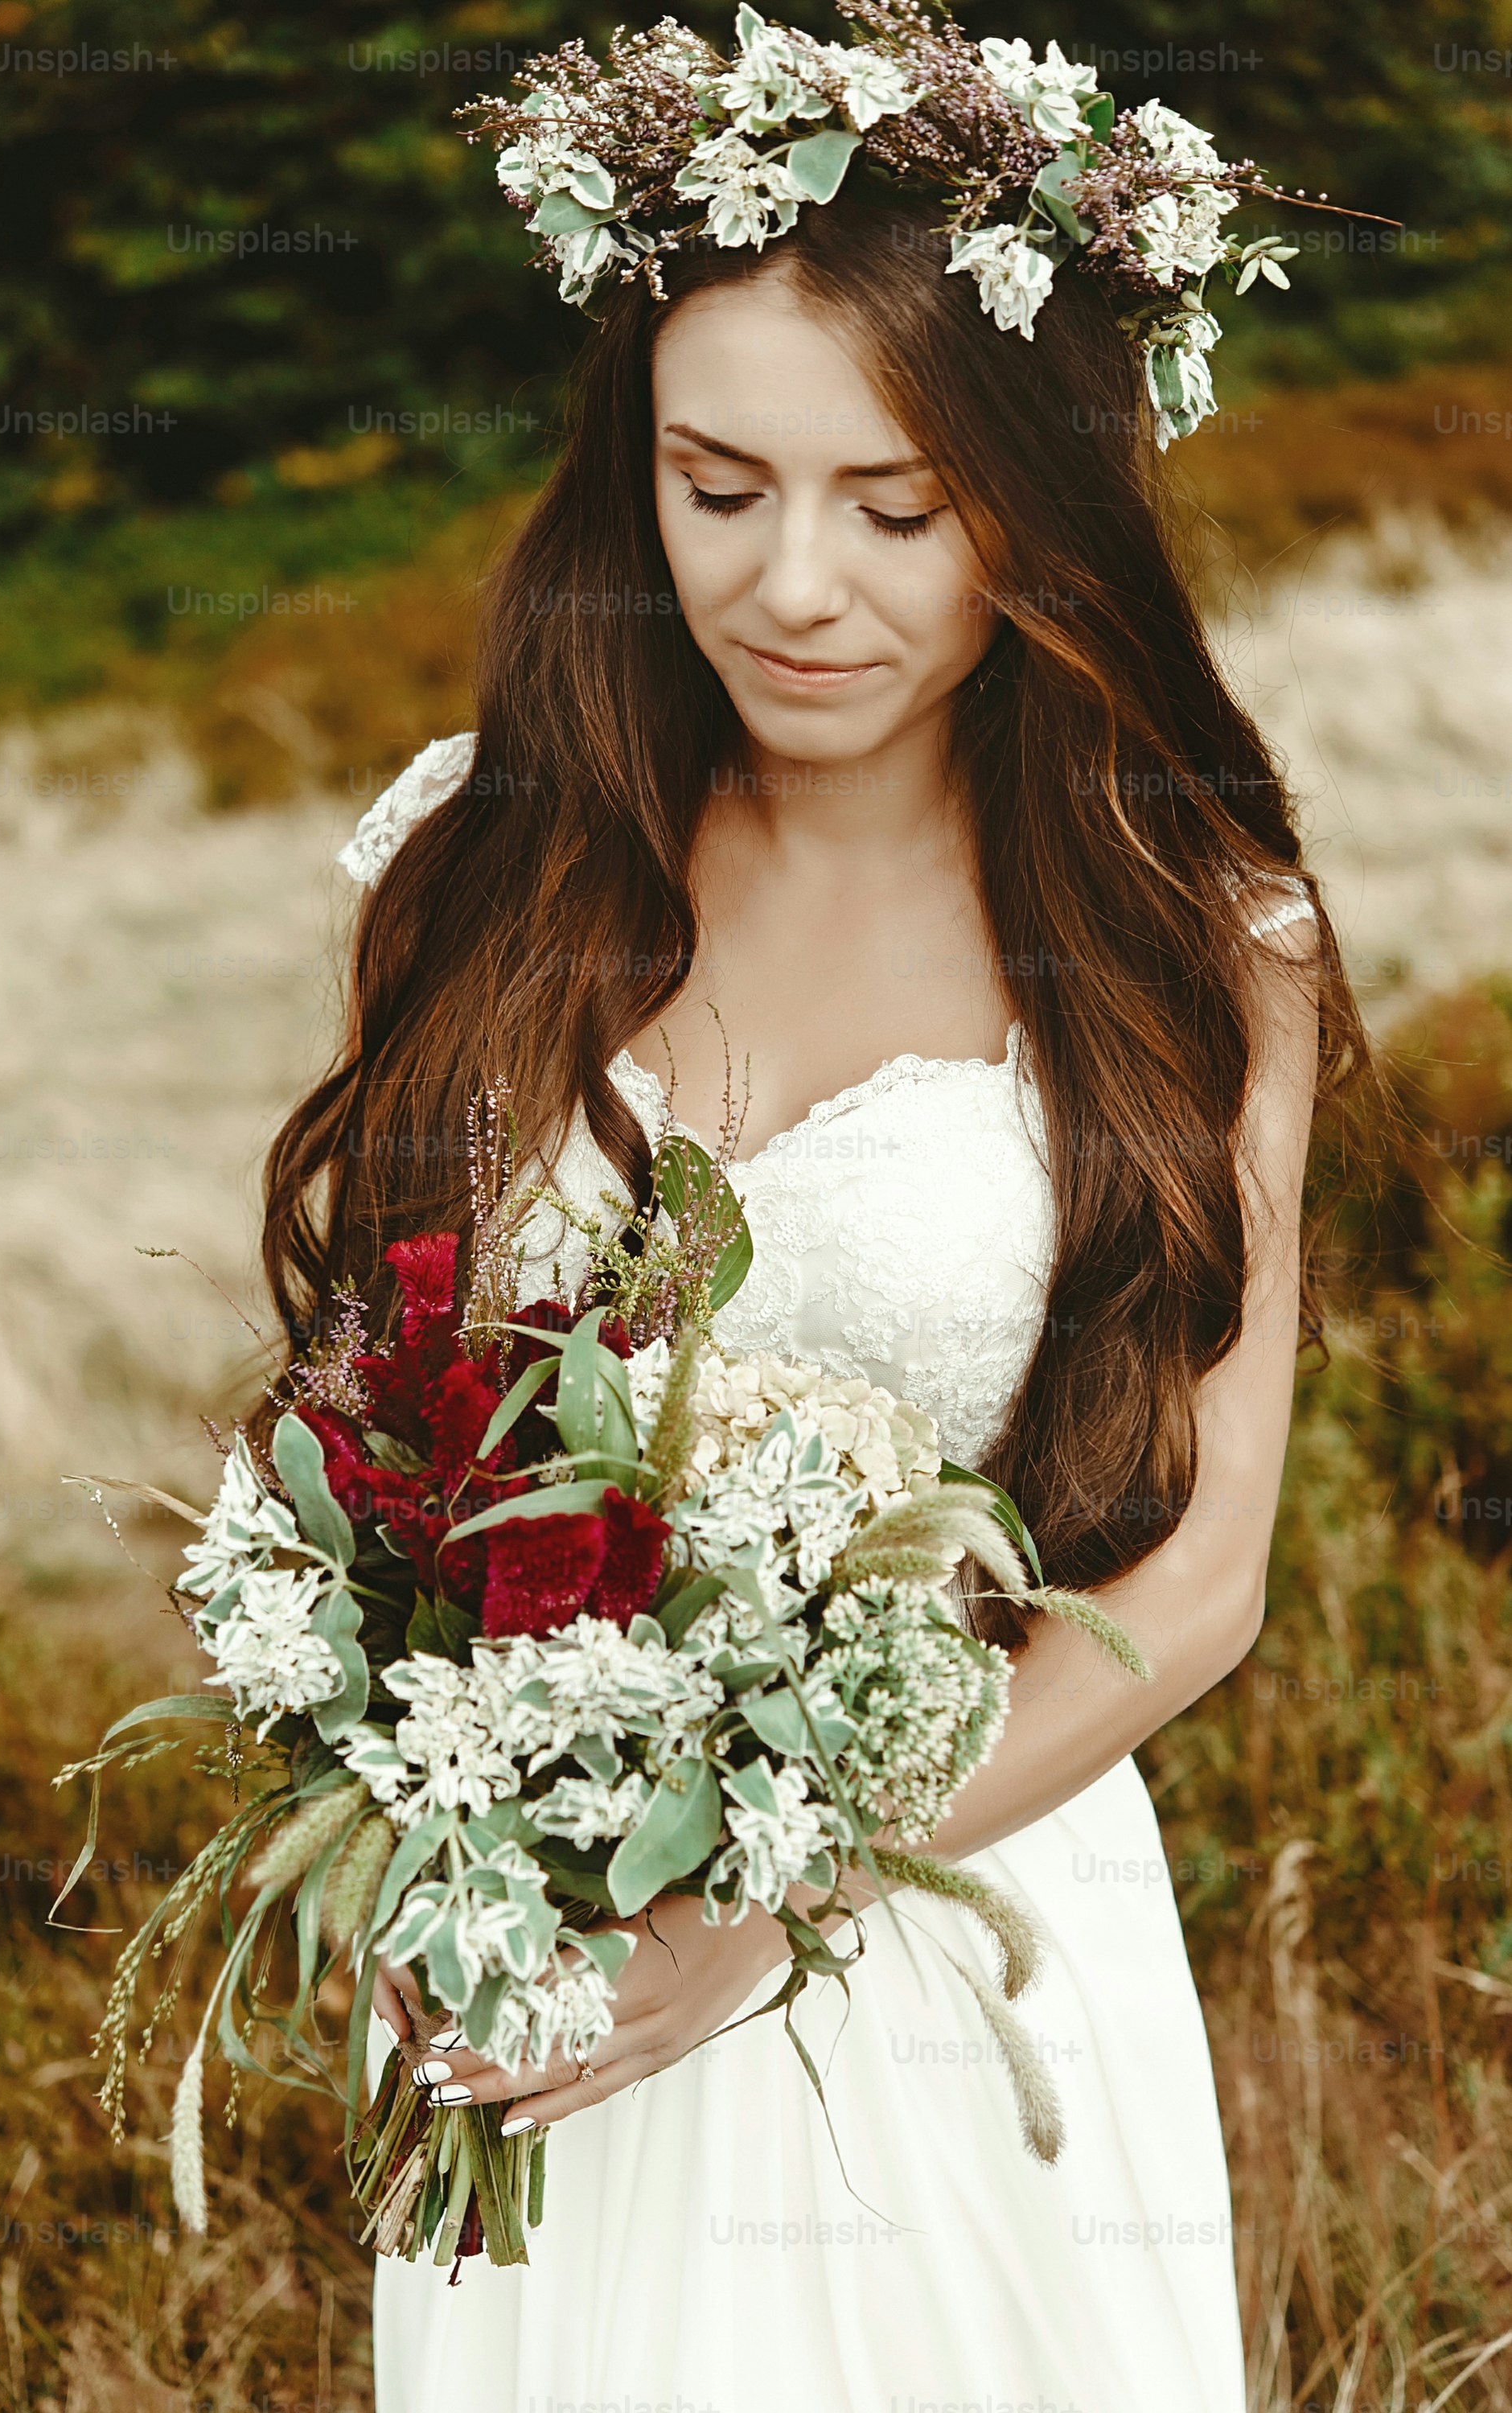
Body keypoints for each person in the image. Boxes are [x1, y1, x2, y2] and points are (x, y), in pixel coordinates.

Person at [261, 20, 1365, 2409]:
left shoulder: (1196, 931)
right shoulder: (482, 864)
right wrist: (408, 1811)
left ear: (1037, 507)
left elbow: (1194, 1582)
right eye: (715, 483)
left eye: (894, 505)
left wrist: (769, 1909)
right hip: (533, 1955)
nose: (791, 586)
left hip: (957, 1925)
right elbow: (387, 1416)